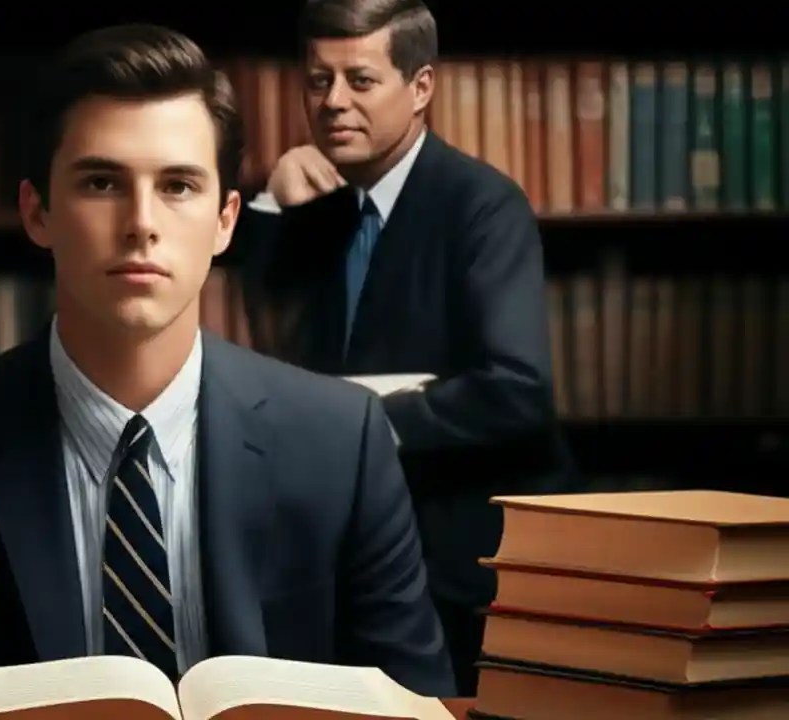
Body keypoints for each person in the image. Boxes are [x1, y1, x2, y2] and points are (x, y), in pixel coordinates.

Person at [0, 22, 456, 713]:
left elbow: (416, 704)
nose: (141, 223)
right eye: (102, 182)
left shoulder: (344, 442)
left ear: (225, 221)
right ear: (37, 211)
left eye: (178, 186)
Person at [231, 0, 579, 696]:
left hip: (465, 562)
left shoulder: (481, 204)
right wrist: (269, 199)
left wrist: (360, 423)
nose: (333, 103)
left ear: (420, 89)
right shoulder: (323, 205)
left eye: (360, 81)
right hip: (352, 554)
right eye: (317, 81)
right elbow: (271, 336)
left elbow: (517, 390)